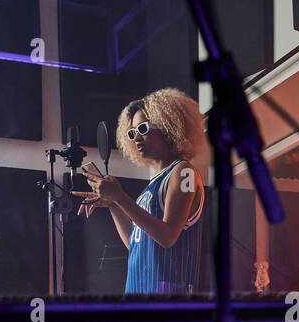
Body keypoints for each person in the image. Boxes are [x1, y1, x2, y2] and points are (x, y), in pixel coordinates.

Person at [74, 88, 207, 295]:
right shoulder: (155, 182)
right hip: (139, 292)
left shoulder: (184, 172)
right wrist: (114, 205)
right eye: (132, 132)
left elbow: (167, 236)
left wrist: (120, 197)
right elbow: (136, 244)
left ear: (168, 126)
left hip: (168, 300)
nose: (136, 137)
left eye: (143, 128)